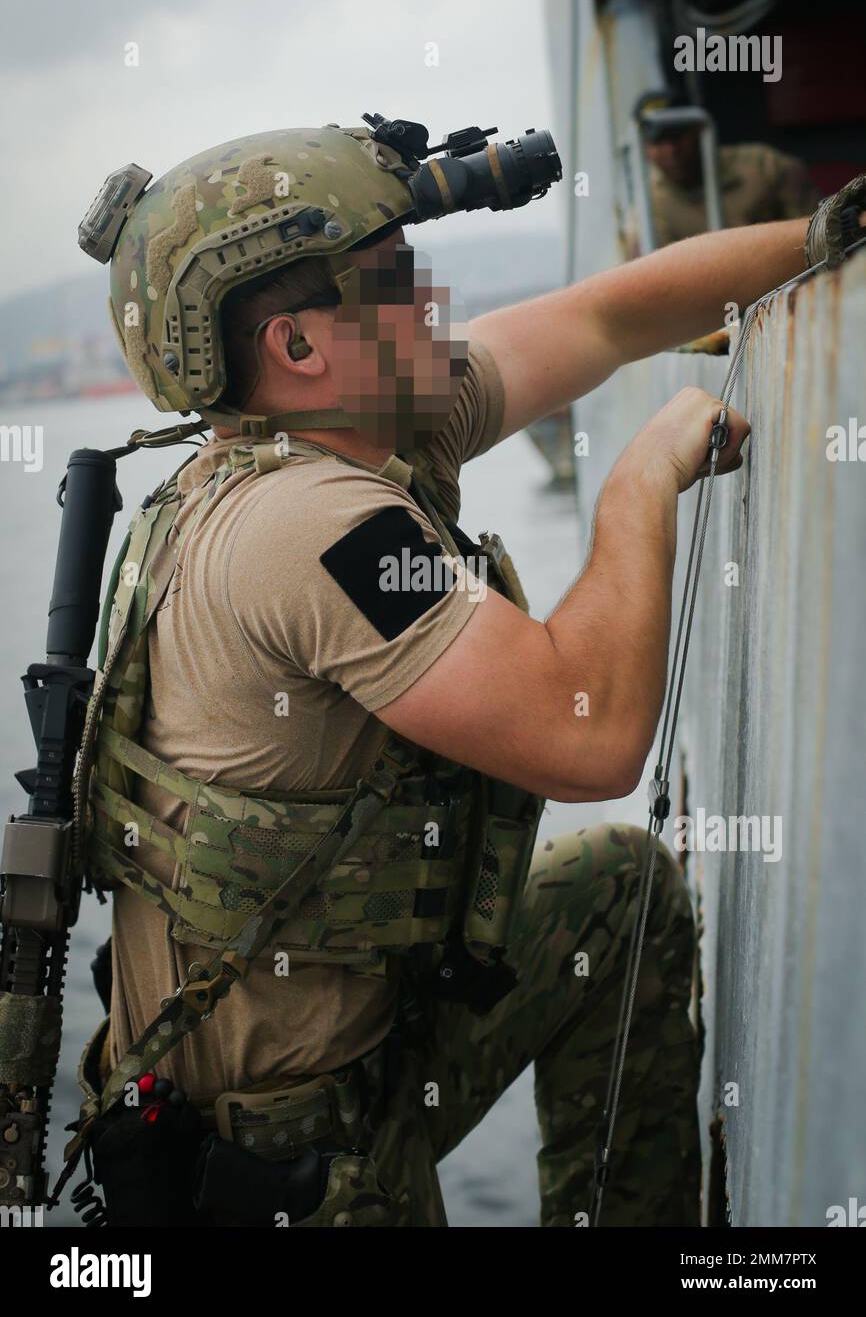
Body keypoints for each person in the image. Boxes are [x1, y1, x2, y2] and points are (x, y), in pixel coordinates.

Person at [68, 120, 863, 1227]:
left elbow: (607, 316)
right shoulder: (308, 528)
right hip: (293, 1160)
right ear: (298, 347)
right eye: (393, 279)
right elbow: (588, 736)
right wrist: (636, 486)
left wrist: (832, 231)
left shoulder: (349, 427)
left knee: (614, 897)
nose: (431, 297)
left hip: (374, 1046)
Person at [631, 89, 820, 251]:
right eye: (658, 142)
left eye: (677, 136)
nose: (671, 150)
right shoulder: (650, 210)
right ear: (644, 148)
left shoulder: (764, 166)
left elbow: (817, 240)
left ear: (698, 130)